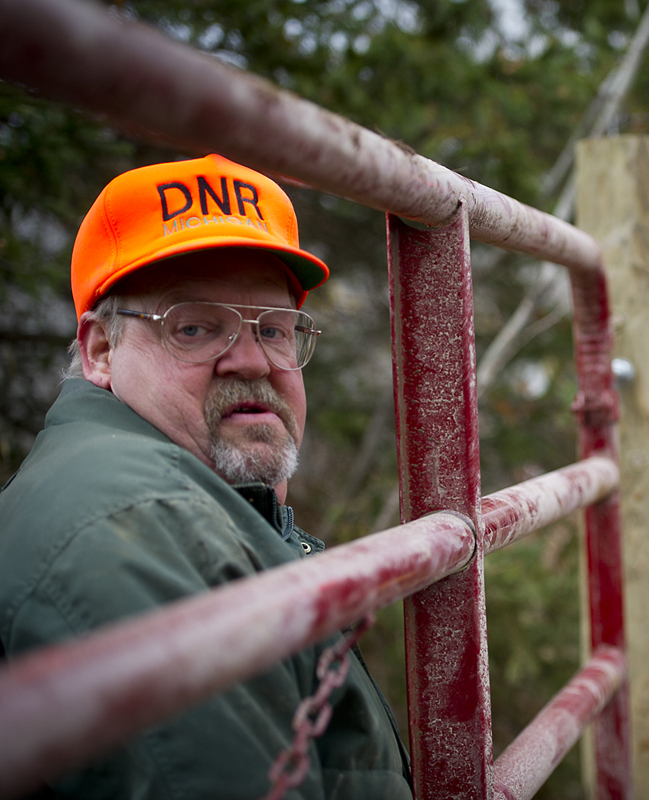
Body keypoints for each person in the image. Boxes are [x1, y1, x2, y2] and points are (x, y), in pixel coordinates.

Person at [0, 155, 413, 799]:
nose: (251, 360)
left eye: (274, 329)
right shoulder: (136, 526)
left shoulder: (193, 504)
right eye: (193, 327)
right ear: (100, 352)